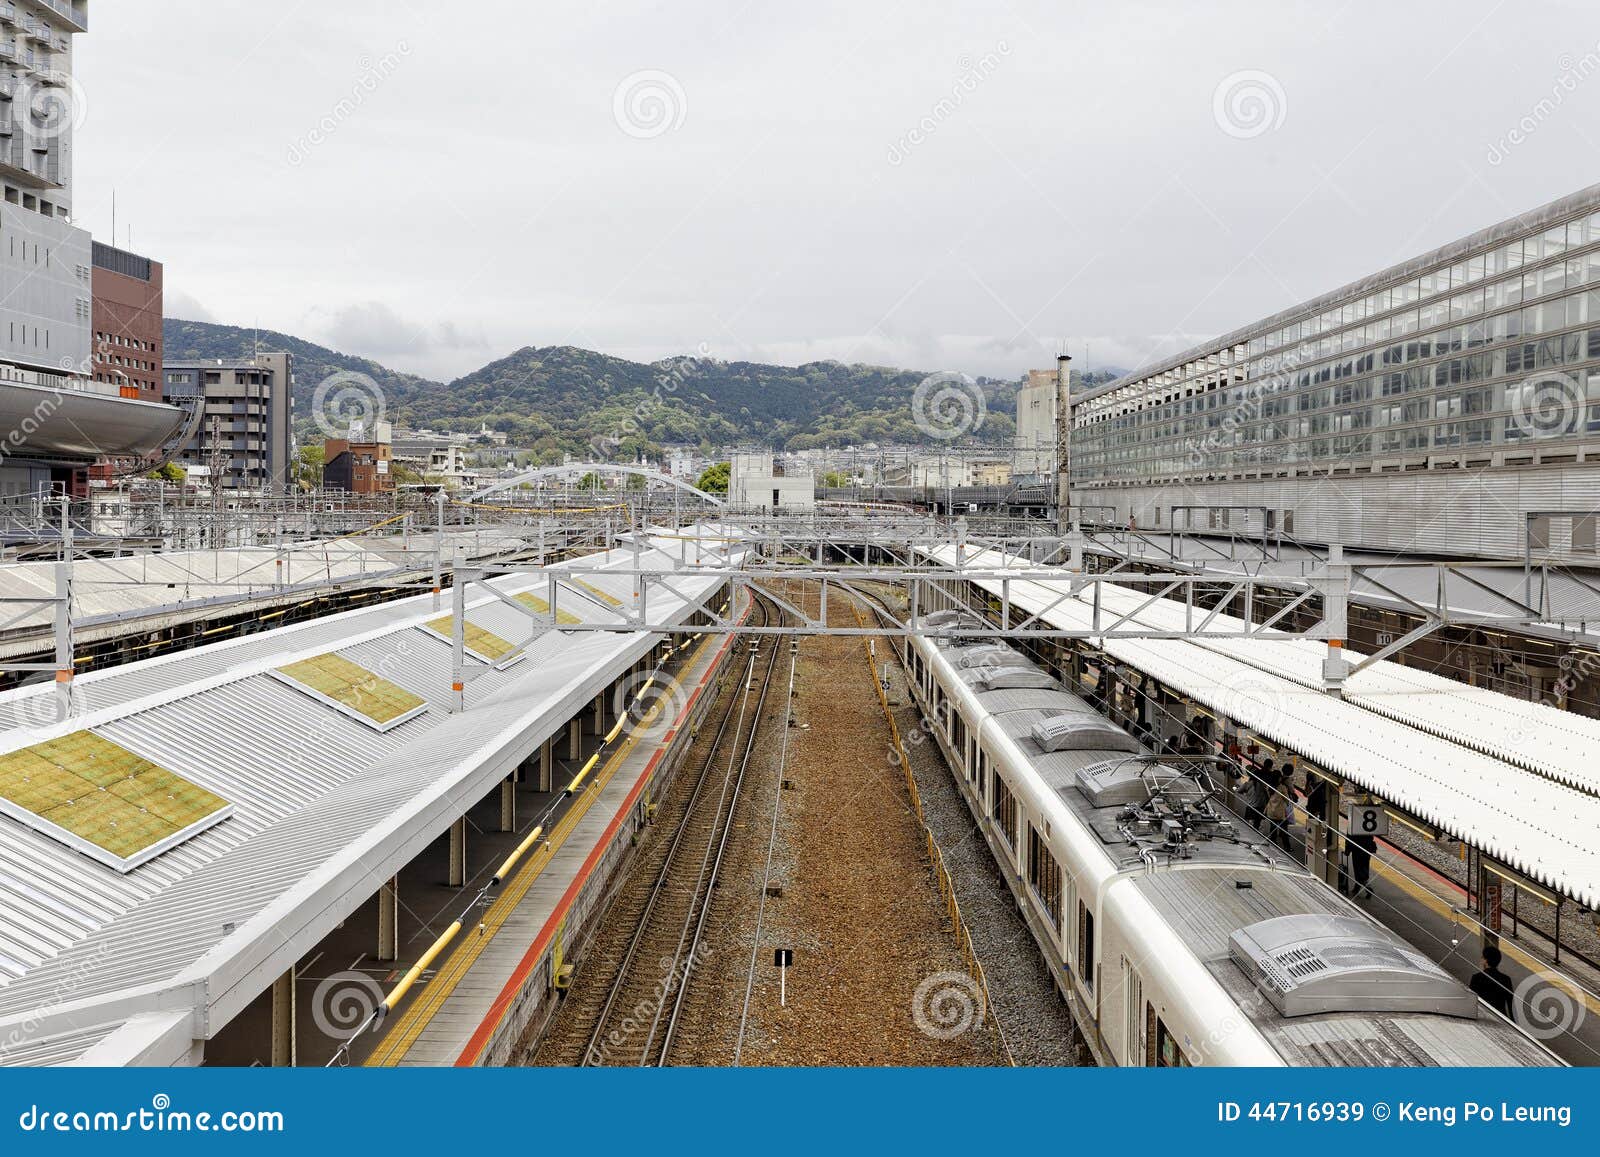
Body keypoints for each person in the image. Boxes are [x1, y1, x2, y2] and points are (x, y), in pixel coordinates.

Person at [1470, 943, 1515, 1017]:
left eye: (1482, 957)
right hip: (1501, 1016)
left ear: (1485, 961)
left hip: (1482, 1015)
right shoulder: (1506, 979)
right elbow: (1510, 1006)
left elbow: (1472, 1001)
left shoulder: (1476, 978)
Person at [1345, 832, 1376, 898]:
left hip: (1357, 849)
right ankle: (1357, 888)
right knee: (1365, 867)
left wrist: (1347, 850)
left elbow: (1349, 837)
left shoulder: (1353, 824)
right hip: (1367, 848)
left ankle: (1367, 887)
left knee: (1358, 869)